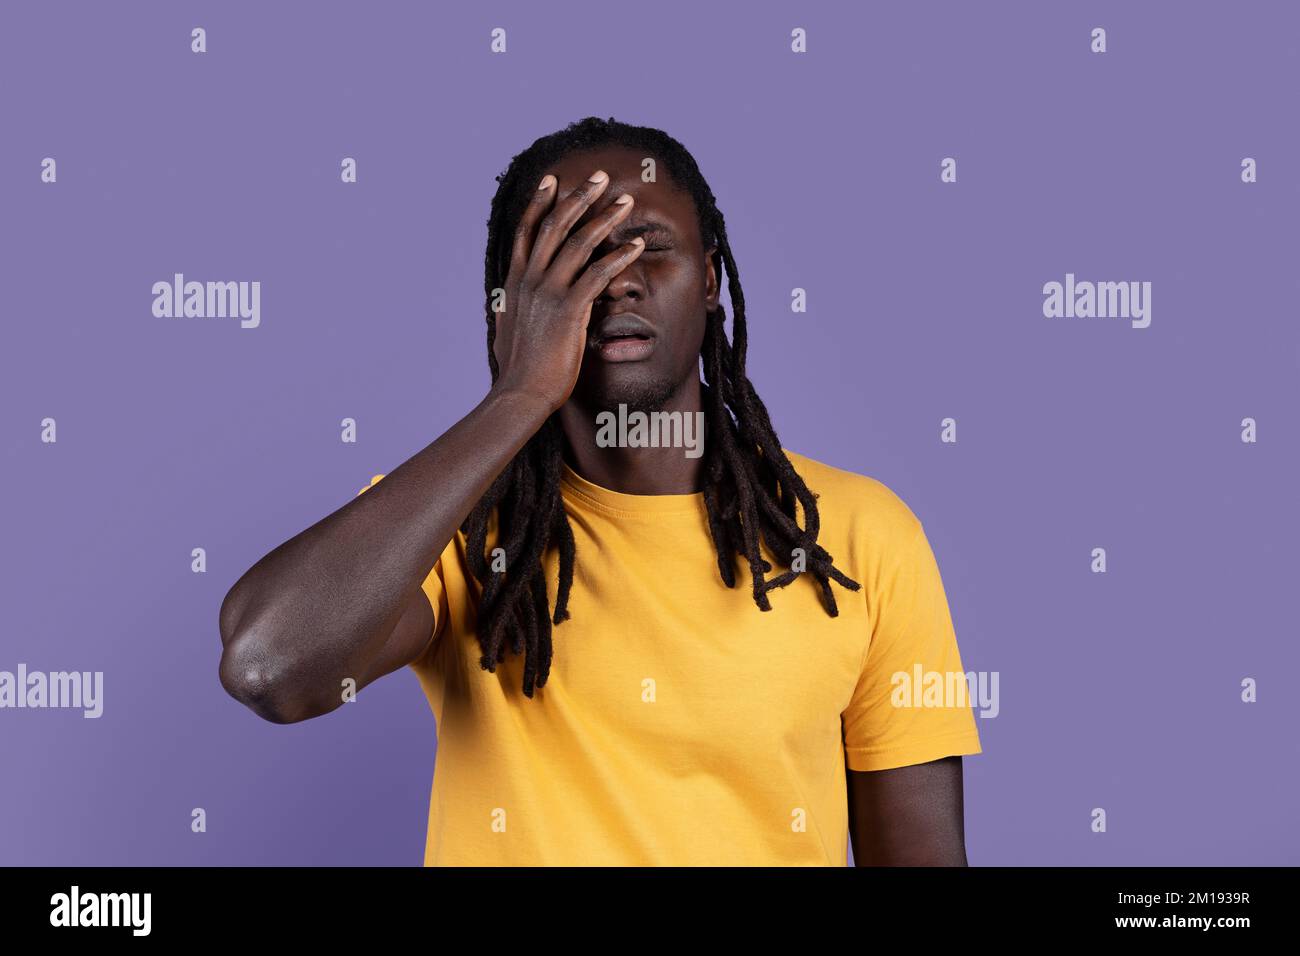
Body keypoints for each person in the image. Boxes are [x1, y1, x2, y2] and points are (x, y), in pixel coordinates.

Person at [218, 117, 982, 866]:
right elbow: (270, 670)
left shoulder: (862, 535)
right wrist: (519, 396)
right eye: (571, 258)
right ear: (512, 309)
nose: (617, 279)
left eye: (650, 246)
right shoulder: (463, 525)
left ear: (710, 280)